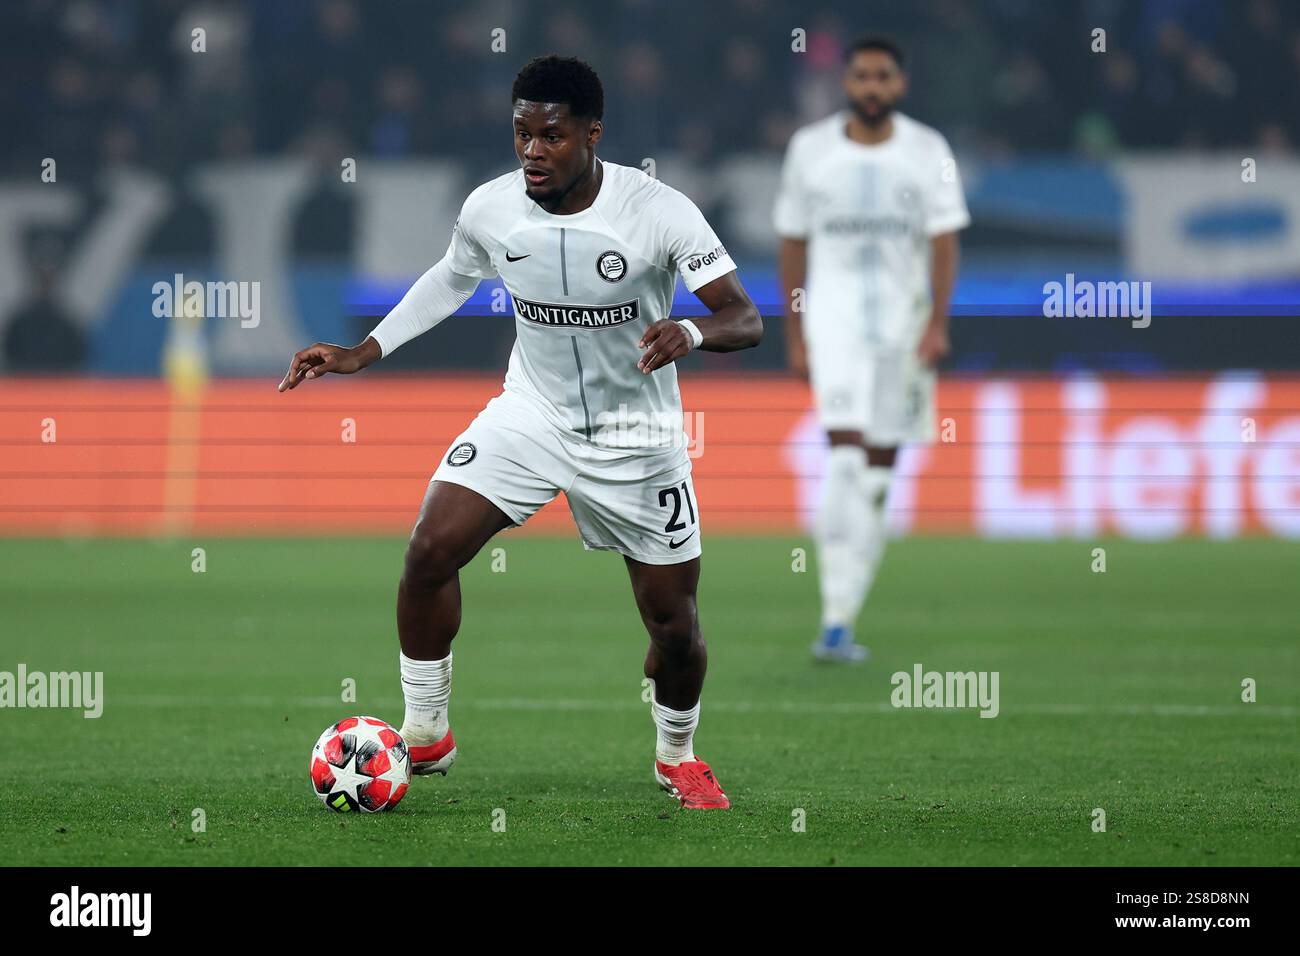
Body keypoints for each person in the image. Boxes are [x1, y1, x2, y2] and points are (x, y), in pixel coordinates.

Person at [279, 55, 761, 809]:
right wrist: (364, 351)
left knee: (674, 629)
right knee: (429, 551)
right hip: (530, 414)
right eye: (522, 134)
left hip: (635, 436)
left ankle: (677, 755)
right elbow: (450, 278)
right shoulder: (492, 208)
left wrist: (691, 333)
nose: (533, 151)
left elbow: (745, 316)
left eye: (552, 136)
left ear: (592, 134)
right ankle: (426, 730)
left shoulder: (658, 211)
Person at [775, 35, 969, 662]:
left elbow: (944, 240)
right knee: (845, 461)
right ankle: (832, 617)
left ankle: (844, 615)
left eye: (883, 76)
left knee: (880, 478)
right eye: (862, 76)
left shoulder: (928, 150)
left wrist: (936, 324)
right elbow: (793, 241)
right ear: (846, 83)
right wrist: (795, 332)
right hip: (832, 326)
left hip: (902, 330)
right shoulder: (810, 149)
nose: (873, 87)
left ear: (900, 84)